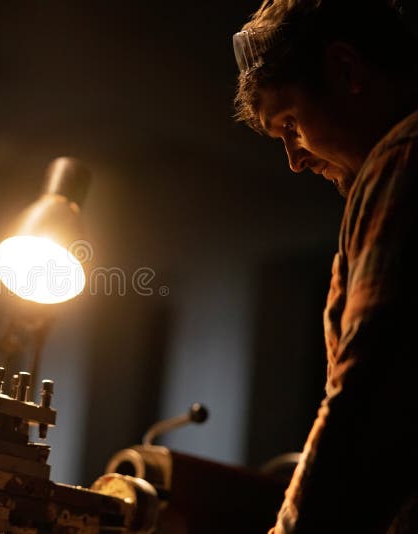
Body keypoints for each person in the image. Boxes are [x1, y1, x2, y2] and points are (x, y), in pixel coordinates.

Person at [232, 1, 418, 532]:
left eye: (290, 123)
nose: (295, 159)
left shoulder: (403, 157)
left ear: (345, 70)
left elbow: (368, 384)